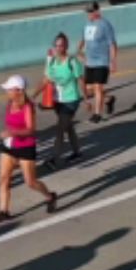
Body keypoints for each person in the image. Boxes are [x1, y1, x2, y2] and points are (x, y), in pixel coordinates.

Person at [0, 75, 57, 222]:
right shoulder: (10, 104)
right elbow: (10, 124)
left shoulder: (27, 107)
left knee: (30, 182)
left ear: (18, 90)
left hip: (25, 147)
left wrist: (12, 132)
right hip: (9, 146)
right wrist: (8, 134)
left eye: (9, 89)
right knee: (3, 179)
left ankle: (50, 196)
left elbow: (31, 130)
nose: (7, 91)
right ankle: (4, 210)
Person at [35, 32, 86, 170]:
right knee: (68, 127)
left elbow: (81, 81)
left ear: (66, 46)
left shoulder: (72, 61)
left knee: (60, 130)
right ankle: (77, 153)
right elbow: (46, 80)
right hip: (58, 101)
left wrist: (87, 100)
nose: (59, 48)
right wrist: (32, 96)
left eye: (62, 45)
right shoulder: (52, 62)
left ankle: (55, 159)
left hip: (71, 101)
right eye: (57, 45)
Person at [78, 1, 118, 124]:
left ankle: (97, 114)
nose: (89, 14)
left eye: (91, 11)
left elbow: (112, 44)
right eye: (88, 12)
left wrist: (112, 61)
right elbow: (83, 39)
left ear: (97, 11)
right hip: (89, 61)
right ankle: (109, 99)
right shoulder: (87, 25)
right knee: (90, 89)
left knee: (97, 87)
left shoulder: (105, 25)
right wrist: (78, 50)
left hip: (101, 60)